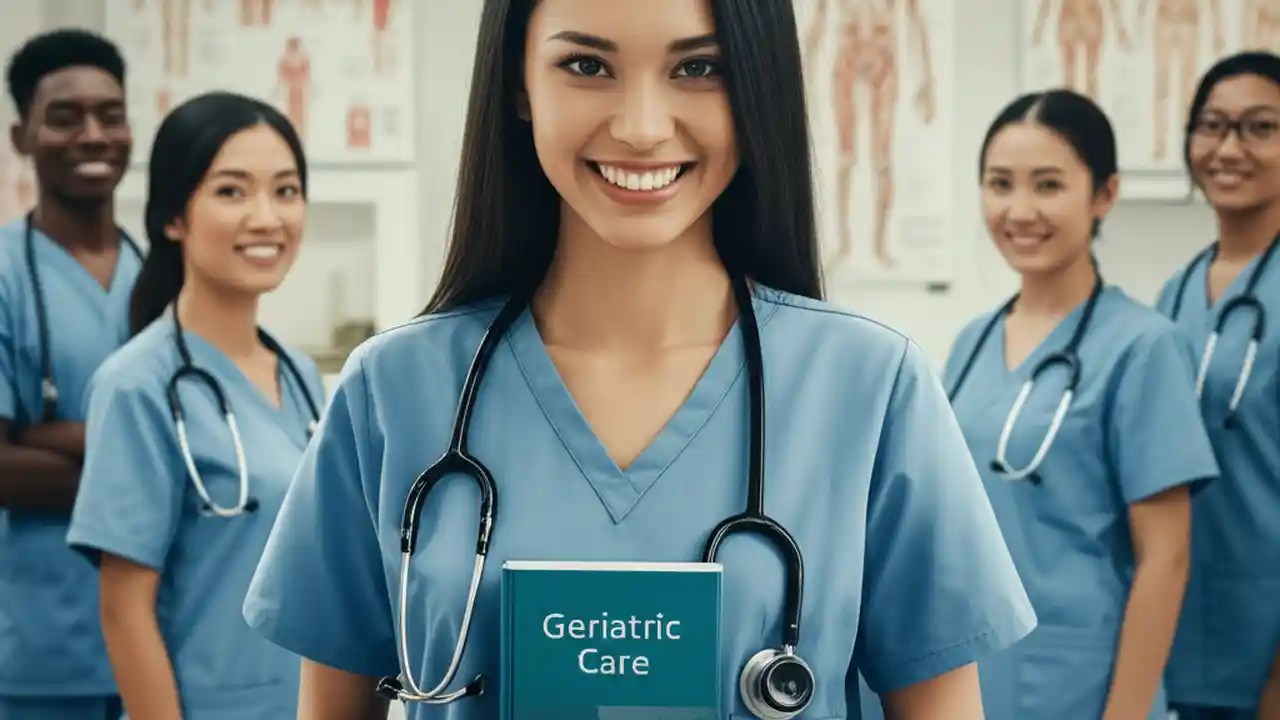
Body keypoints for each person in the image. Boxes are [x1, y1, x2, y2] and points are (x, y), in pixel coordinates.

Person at [242, 1, 1037, 718]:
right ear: (518, 85)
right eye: (587, 65)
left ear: (756, 85)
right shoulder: (393, 391)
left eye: (699, 69)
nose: (642, 126)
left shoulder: (870, 388)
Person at [938, 89, 1219, 720]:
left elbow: (1165, 559)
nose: (1020, 210)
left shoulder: (1143, 346)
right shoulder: (972, 343)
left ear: (1104, 195)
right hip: (978, 679)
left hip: (1083, 684)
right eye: (1000, 183)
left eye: (1048, 185)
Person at [64, 91, 323, 720]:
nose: (267, 217)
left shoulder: (303, 377)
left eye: (286, 191)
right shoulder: (138, 385)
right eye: (232, 191)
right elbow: (125, 614)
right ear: (173, 217)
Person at [0, 29, 138, 720]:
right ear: (22, 136)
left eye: (110, 115)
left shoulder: (167, 278)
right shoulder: (5, 274)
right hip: (40, 652)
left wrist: (43, 434)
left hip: (160, 650)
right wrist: (144, 473)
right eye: (64, 117)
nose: (92, 135)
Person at [1158, 51, 1280, 720]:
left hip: (1266, 650)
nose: (1229, 148)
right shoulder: (1173, 295)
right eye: (1212, 125)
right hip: (1183, 645)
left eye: (1260, 127)